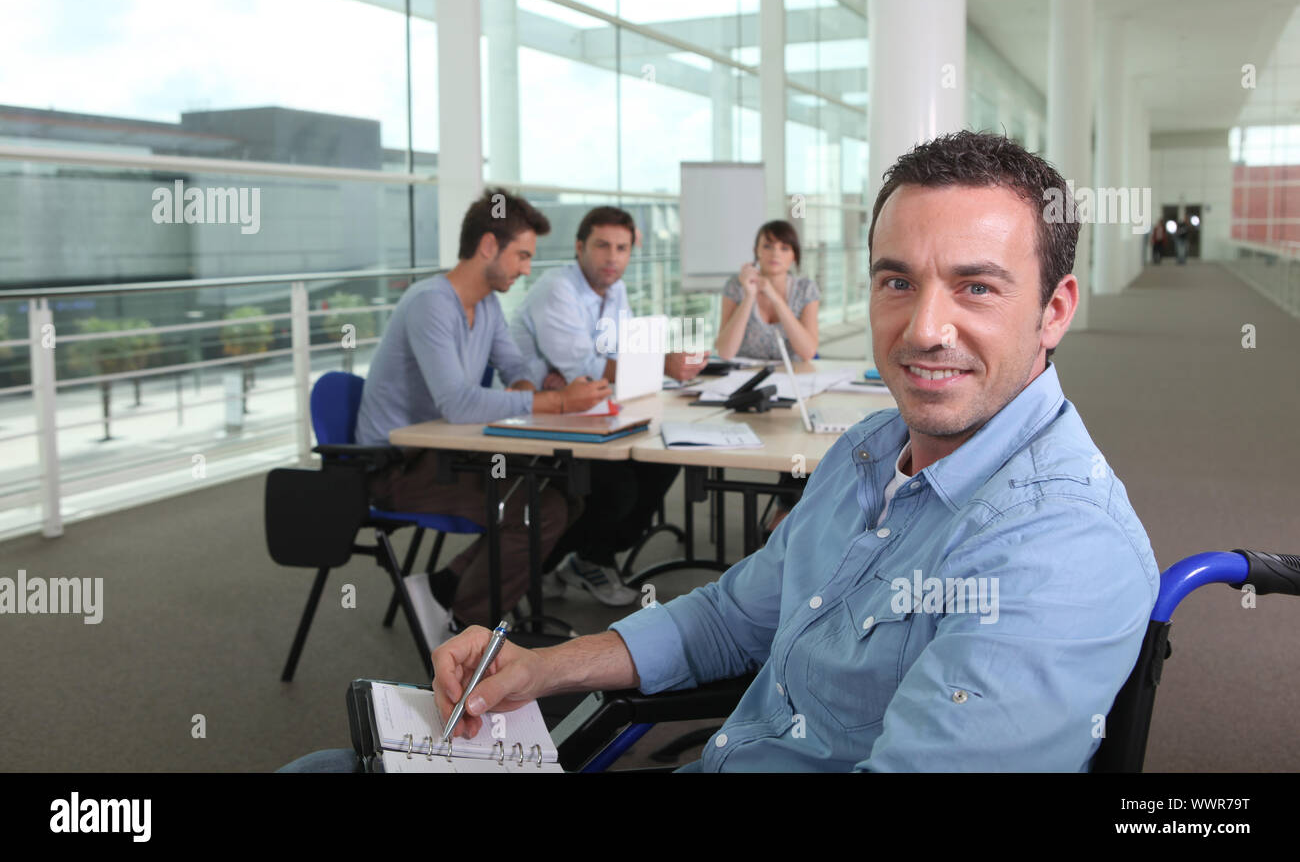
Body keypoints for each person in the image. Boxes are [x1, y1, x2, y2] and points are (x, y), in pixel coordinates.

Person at [282, 131, 1159, 772]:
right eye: (898, 281)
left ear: (1054, 309)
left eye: (976, 286)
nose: (926, 329)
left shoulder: (1059, 547)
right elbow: (733, 615)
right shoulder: (870, 446)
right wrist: (539, 669)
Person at [355, 187, 609, 642]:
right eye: (522, 256)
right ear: (489, 246)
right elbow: (457, 403)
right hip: (394, 467)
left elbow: (515, 369)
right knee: (539, 509)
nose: (527, 269)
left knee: (566, 497)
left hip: (447, 453)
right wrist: (555, 403)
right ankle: (466, 630)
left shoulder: (486, 305)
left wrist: (536, 393)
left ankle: (444, 586)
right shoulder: (430, 302)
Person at [510, 206, 708, 605]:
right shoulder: (557, 288)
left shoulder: (613, 290)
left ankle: (587, 557)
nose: (613, 257)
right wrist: (656, 362)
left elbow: (621, 357)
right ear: (580, 247)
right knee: (619, 485)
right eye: (602, 246)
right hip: (535, 417)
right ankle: (554, 564)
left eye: (622, 248)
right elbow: (588, 365)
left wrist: (624, 366)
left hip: (589, 411)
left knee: (662, 461)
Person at [713, 220, 820, 362]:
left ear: (794, 255)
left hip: (793, 375)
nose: (775, 253)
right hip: (746, 376)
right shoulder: (736, 286)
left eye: (784, 248)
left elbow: (808, 352)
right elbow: (724, 352)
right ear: (756, 251)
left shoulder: (805, 289)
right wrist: (749, 297)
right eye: (768, 246)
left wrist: (774, 297)